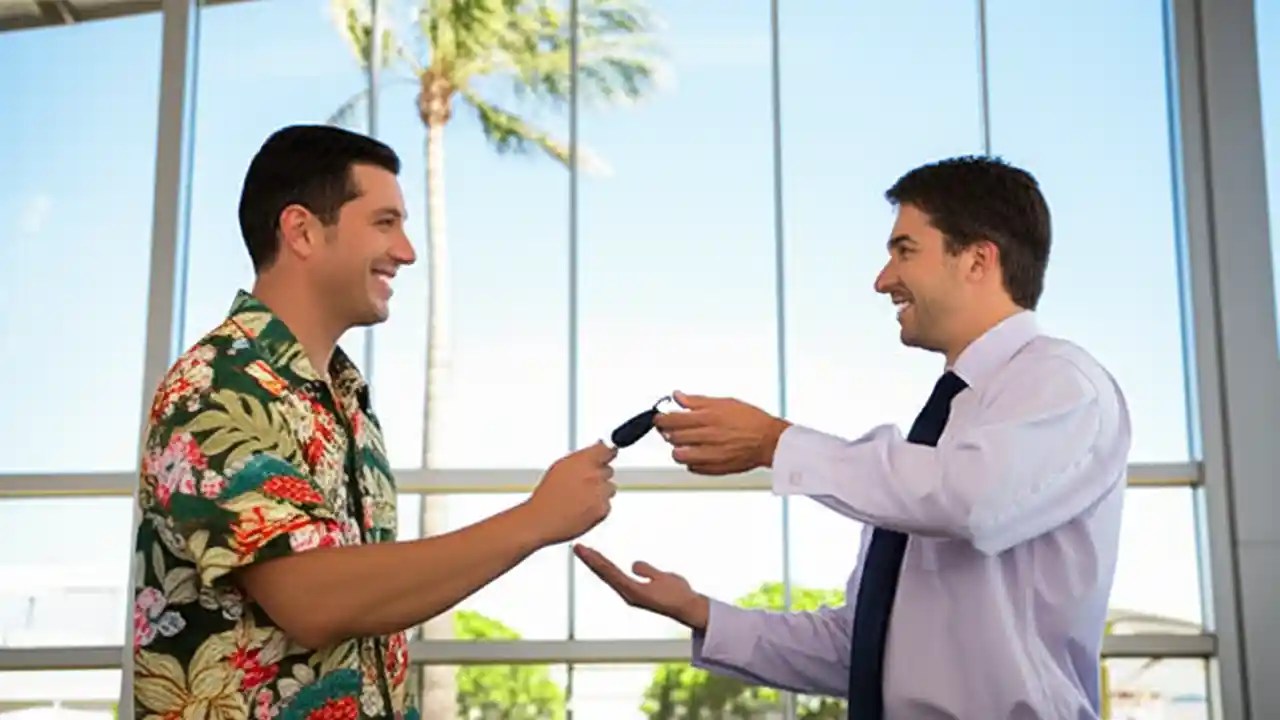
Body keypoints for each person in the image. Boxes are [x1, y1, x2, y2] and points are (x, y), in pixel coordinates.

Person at [574, 155, 1132, 719]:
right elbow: (866, 649)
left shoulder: (1063, 383)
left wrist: (777, 443)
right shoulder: (934, 441)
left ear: (977, 260)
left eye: (905, 250)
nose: (883, 279)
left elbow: (972, 500)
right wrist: (700, 612)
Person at [126, 124, 617, 720]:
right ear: (302, 231)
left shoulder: (346, 401)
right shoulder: (216, 386)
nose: (407, 251)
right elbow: (315, 598)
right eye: (385, 223)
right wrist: (535, 520)